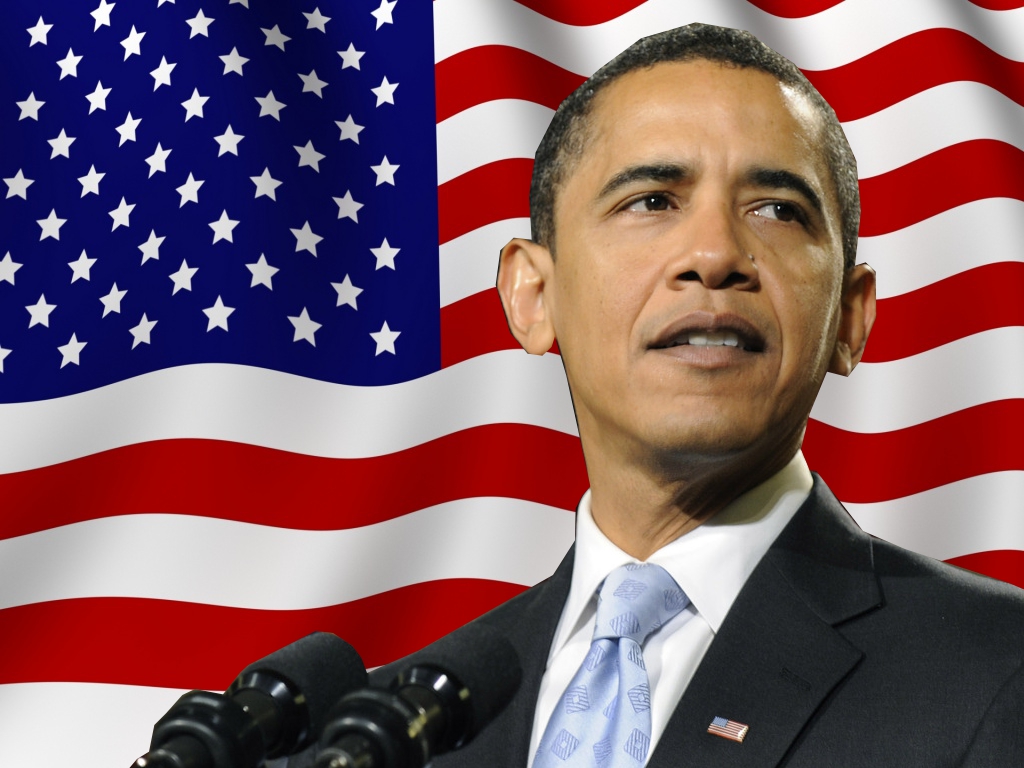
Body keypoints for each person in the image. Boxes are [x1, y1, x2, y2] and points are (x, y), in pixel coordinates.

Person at [293, 22, 1024, 768]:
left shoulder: (1004, 674)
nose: (713, 255)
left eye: (777, 209)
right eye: (652, 201)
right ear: (533, 295)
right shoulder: (390, 737)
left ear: (849, 317)